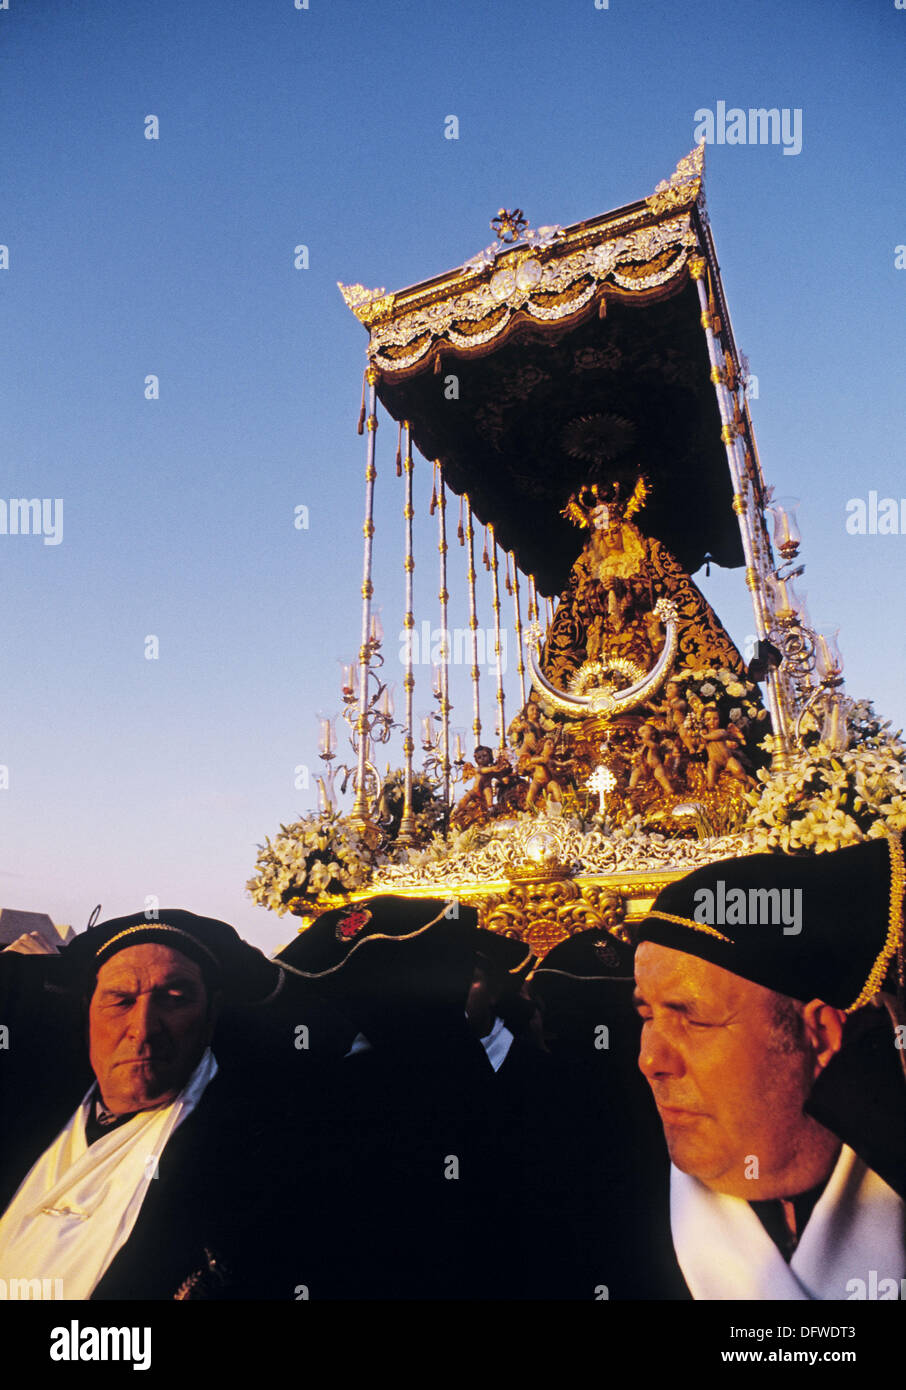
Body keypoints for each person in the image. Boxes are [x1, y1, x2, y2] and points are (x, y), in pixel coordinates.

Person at [0, 909, 343, 1299]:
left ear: (211, 1015)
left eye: (174, 1000)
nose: (144, 1029)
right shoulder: (23, 1117)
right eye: (121, 1001)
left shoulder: (257, 1157)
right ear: (87, 1012)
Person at [628, 834, 905, 1300]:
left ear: (819, 1035)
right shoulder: (593, 1223)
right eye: (646, 1016)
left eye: (693, 1018)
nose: (650, 1060)